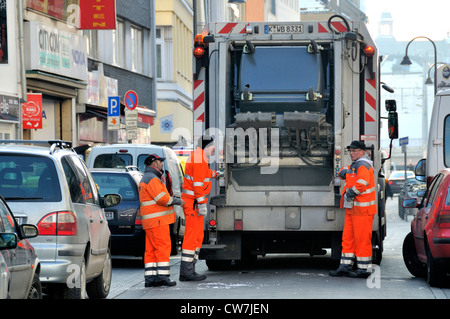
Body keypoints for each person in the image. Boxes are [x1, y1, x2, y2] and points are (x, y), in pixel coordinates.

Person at [330, 140, 376, 278]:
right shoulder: (356, 165)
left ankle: (364, 269)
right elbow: (343, 171)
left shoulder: (363, 165)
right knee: (348, 238)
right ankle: (345, 266)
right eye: (350, 151)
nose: (351, 153)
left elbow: (362, 184)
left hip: (362, 211)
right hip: (353, 209)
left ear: (362, 152)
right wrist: (345, 171)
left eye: (354, 151)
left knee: (362, 240)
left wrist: (350, 193)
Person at [139, 154, 184, 287]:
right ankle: (163, 277)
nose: (162, 164)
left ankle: (151, 278)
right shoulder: (152, 179)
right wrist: (178, 201)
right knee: (163, 247)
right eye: (160, 162)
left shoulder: (147, 178)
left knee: (151, 250)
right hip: (158, 221)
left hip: (151, 222)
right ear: (153, 164)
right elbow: (162, 199)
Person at [179, 135, 221, 281]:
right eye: (213, 146)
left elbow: (204, 175)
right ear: (207, 146)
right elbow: (197, 186)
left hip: (193, 203)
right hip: (194, 204)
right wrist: (202, 204)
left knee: (197, 236)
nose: (214, 149)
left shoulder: (199, 158)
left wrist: (216, 174)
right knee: (192, 237)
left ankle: (189, 270)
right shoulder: (198, 159)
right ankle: (187, 272)